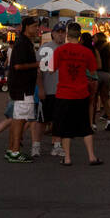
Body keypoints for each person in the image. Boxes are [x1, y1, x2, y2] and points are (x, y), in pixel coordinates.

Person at [52, 22, 103, 166]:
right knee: (85, 125)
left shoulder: (60, 51)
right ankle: (91, 156)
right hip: (81, 93)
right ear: (80, 36)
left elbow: (52, 68)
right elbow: (93, 70)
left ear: (67, 35)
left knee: (65, 128)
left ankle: (67, 158)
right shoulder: (87, 52)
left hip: (64, 93)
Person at [5, 16, 40, 163]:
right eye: (34, 26)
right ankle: (15, 151)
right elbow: (18, 66)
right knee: (20, 118)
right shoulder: (23, 44)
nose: (37, 29)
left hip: (19, 86)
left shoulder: (24, 43)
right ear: (26, 27)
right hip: (23, 86)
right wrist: (36, 64)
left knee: (16, 118)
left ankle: (11, 149)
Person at [37, 22, 66, 159]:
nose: (60, 34)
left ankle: (57, 146)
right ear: (53, 34)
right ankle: (36, 146)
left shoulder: (68, 48)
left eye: (63, 32)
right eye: (58, 31)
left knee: (59, 120)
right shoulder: (45, 48)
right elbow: (38, 71)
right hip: (48, 90)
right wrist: (41, 89)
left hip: (62, 91)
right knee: (42, 121)